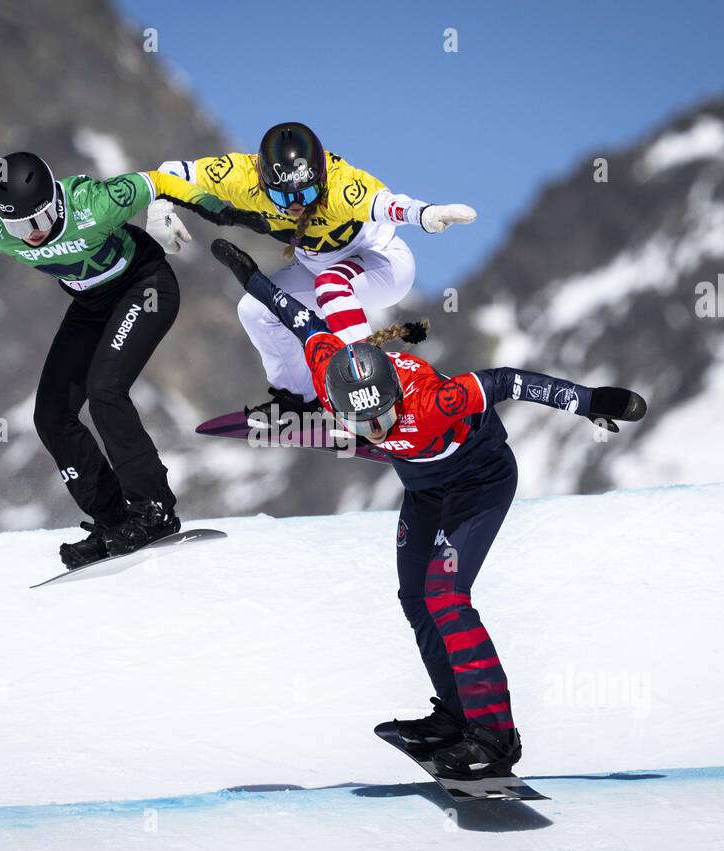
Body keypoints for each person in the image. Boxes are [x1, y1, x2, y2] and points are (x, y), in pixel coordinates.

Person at [210, 237, 647, 779]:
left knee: (447, 597)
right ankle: (457, 717)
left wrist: (590, 402)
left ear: (396, 392)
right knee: (416, 598)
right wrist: (251, 277)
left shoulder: (435, 400)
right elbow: (297, 316)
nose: (374, 431)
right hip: (425, 490)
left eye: (382, 418)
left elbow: (510, 381)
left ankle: (494, 737)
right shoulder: (329, 374)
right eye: (360, 423)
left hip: (480, 486)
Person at [0, 152, 268, 568]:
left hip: (145, 287)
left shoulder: (93, 202)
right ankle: (114, 519)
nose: (32, 233)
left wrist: (220, 211)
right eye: (18, 225)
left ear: (55, 200)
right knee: (50, 416)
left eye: (41, 218)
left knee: (105, 392)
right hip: (90, 304)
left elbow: (159, 181)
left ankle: (153, 508)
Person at [151, 122, 476, 418]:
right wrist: (160, 206)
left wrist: (427, 214)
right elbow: (170, 173)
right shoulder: (241, 177)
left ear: (320, 178)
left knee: (332, 284)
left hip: (384, 265)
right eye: (284, 196)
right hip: (319, 271)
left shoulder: (340, 185)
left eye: (306, 194)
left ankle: (368, 393)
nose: (297, 206)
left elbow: (389, 204)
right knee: (255, 311)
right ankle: (300, 400)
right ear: (262, 183)